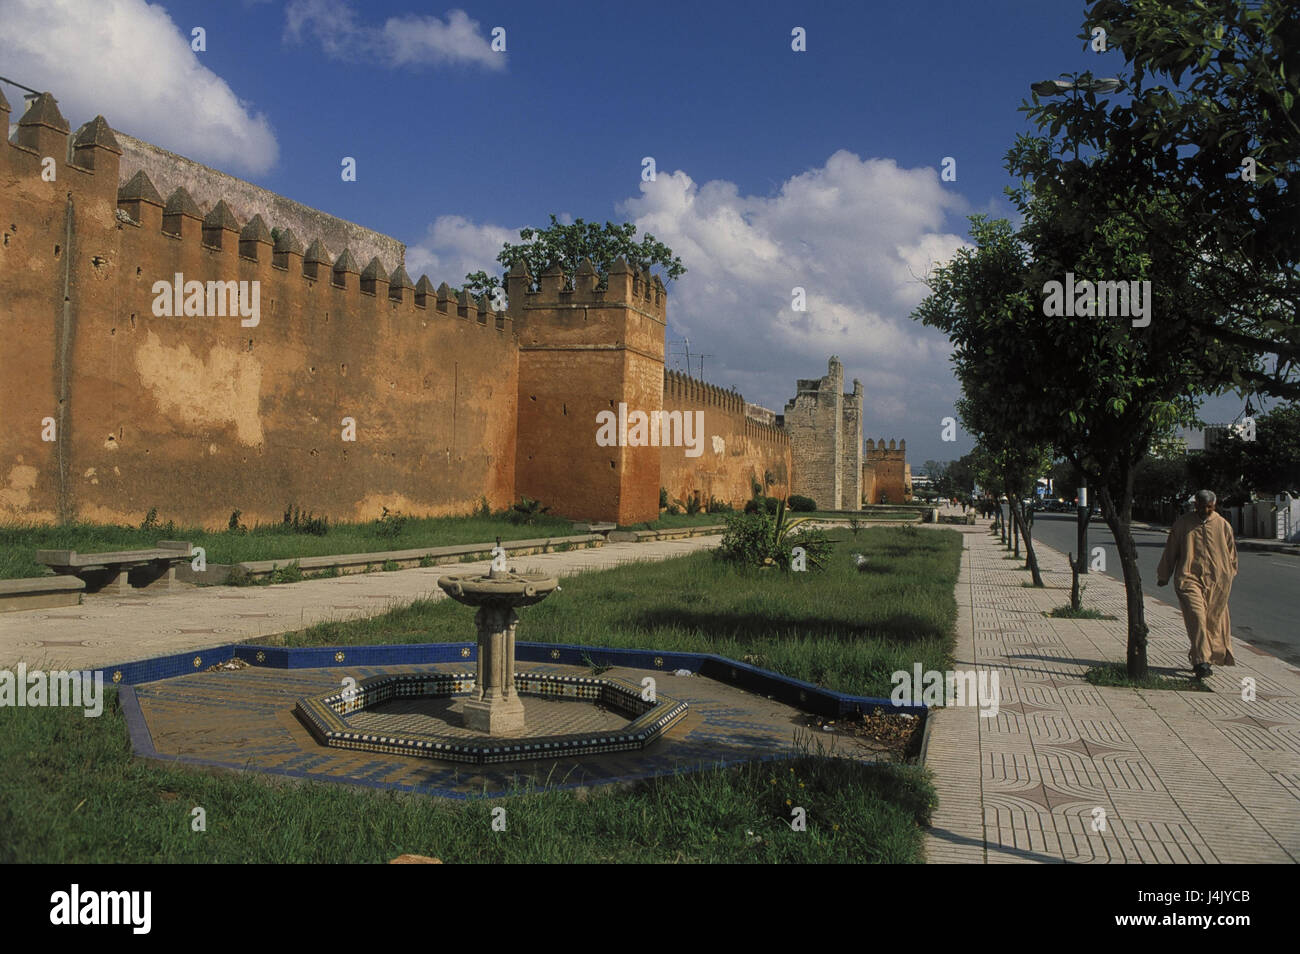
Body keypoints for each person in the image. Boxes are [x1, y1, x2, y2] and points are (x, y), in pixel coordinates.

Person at [1157, 489, 1238, 678]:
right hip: (1188, 579)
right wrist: (1164, 575)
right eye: (1202, 507)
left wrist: (1229, 574)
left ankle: (1203, 656)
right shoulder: (1183, 524)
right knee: (1197, 617)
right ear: (1196, 505)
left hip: (1217, 582)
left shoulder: (1223, 525)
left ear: (1214, 505)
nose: (1205, 510)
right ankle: (1202, 661)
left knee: (1212, 620)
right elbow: (1171, 551)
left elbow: (1232, 554)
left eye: (1209, 507)